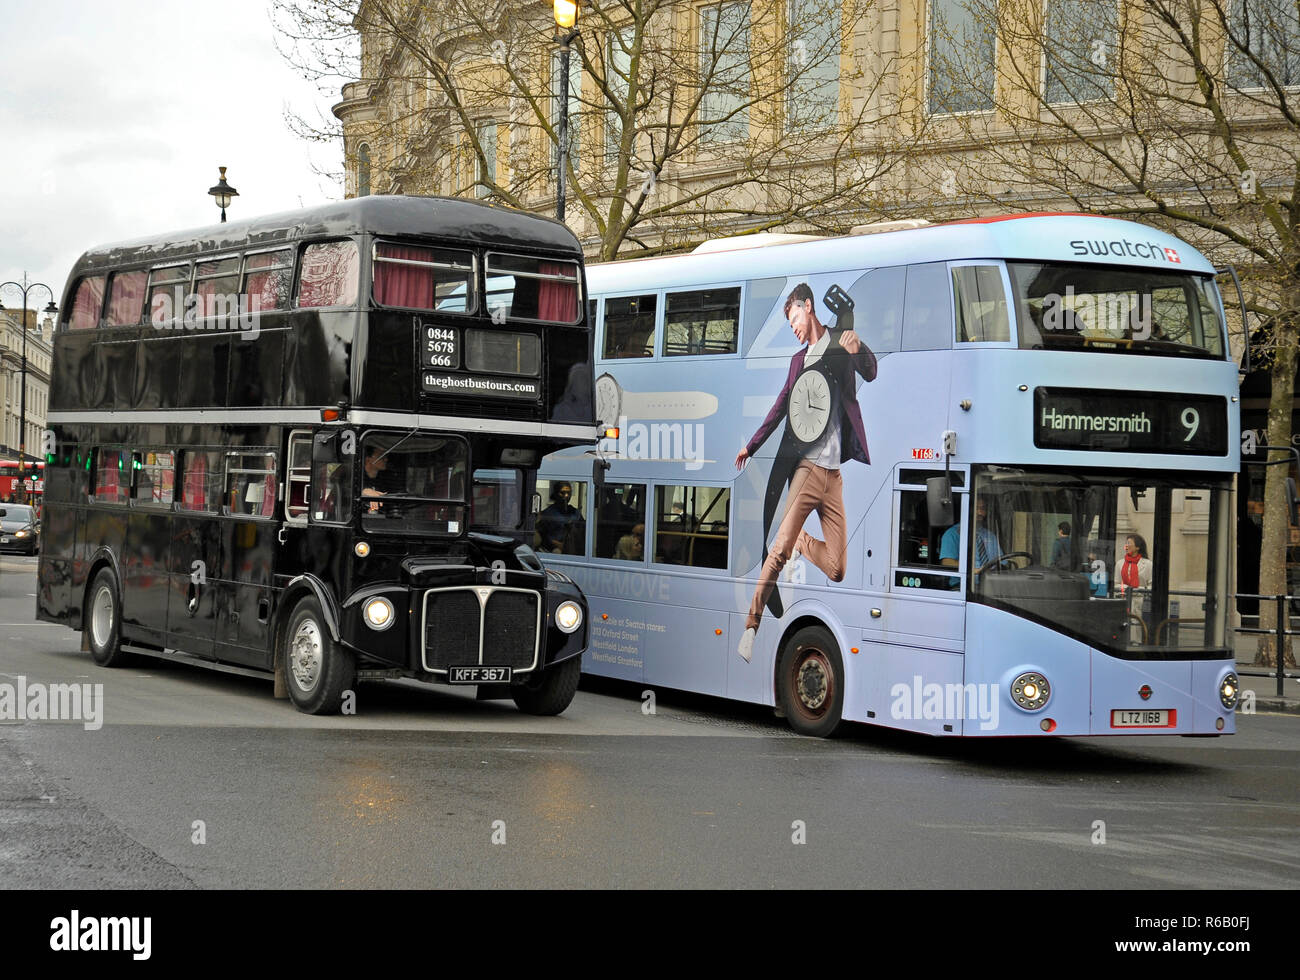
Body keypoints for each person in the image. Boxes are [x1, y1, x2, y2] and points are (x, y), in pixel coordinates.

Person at [734, 282, 877, 662]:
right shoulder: (798, 361)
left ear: (807, 307)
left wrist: (857, 348)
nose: (793, 327)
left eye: (794, 318)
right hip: (808, 468)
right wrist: (752, 444)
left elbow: (871, 371)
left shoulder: (839, 341)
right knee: (777, 549)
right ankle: (751, 626)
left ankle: (801, 541)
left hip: (833, 477)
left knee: (837, 568)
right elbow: (781, 405)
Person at [939, 496, 1002, 583]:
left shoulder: (991, 536)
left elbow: (1002, 562)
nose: (980, 512)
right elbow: (947, 562)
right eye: (976, 508)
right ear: (968, 509)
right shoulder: (952, 534)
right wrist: (971, 570)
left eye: (983, 508)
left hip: (991, 585)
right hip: (962, 586)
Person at [537, 482, 584, 554]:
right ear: (556, 494)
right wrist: (556, 545)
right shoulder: (548, 513)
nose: (566, 495)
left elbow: (583, 533)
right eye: (562, 493)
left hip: (573, 551)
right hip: (554, 551)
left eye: (569, 492)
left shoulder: (576, 513)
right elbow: (541, 536)